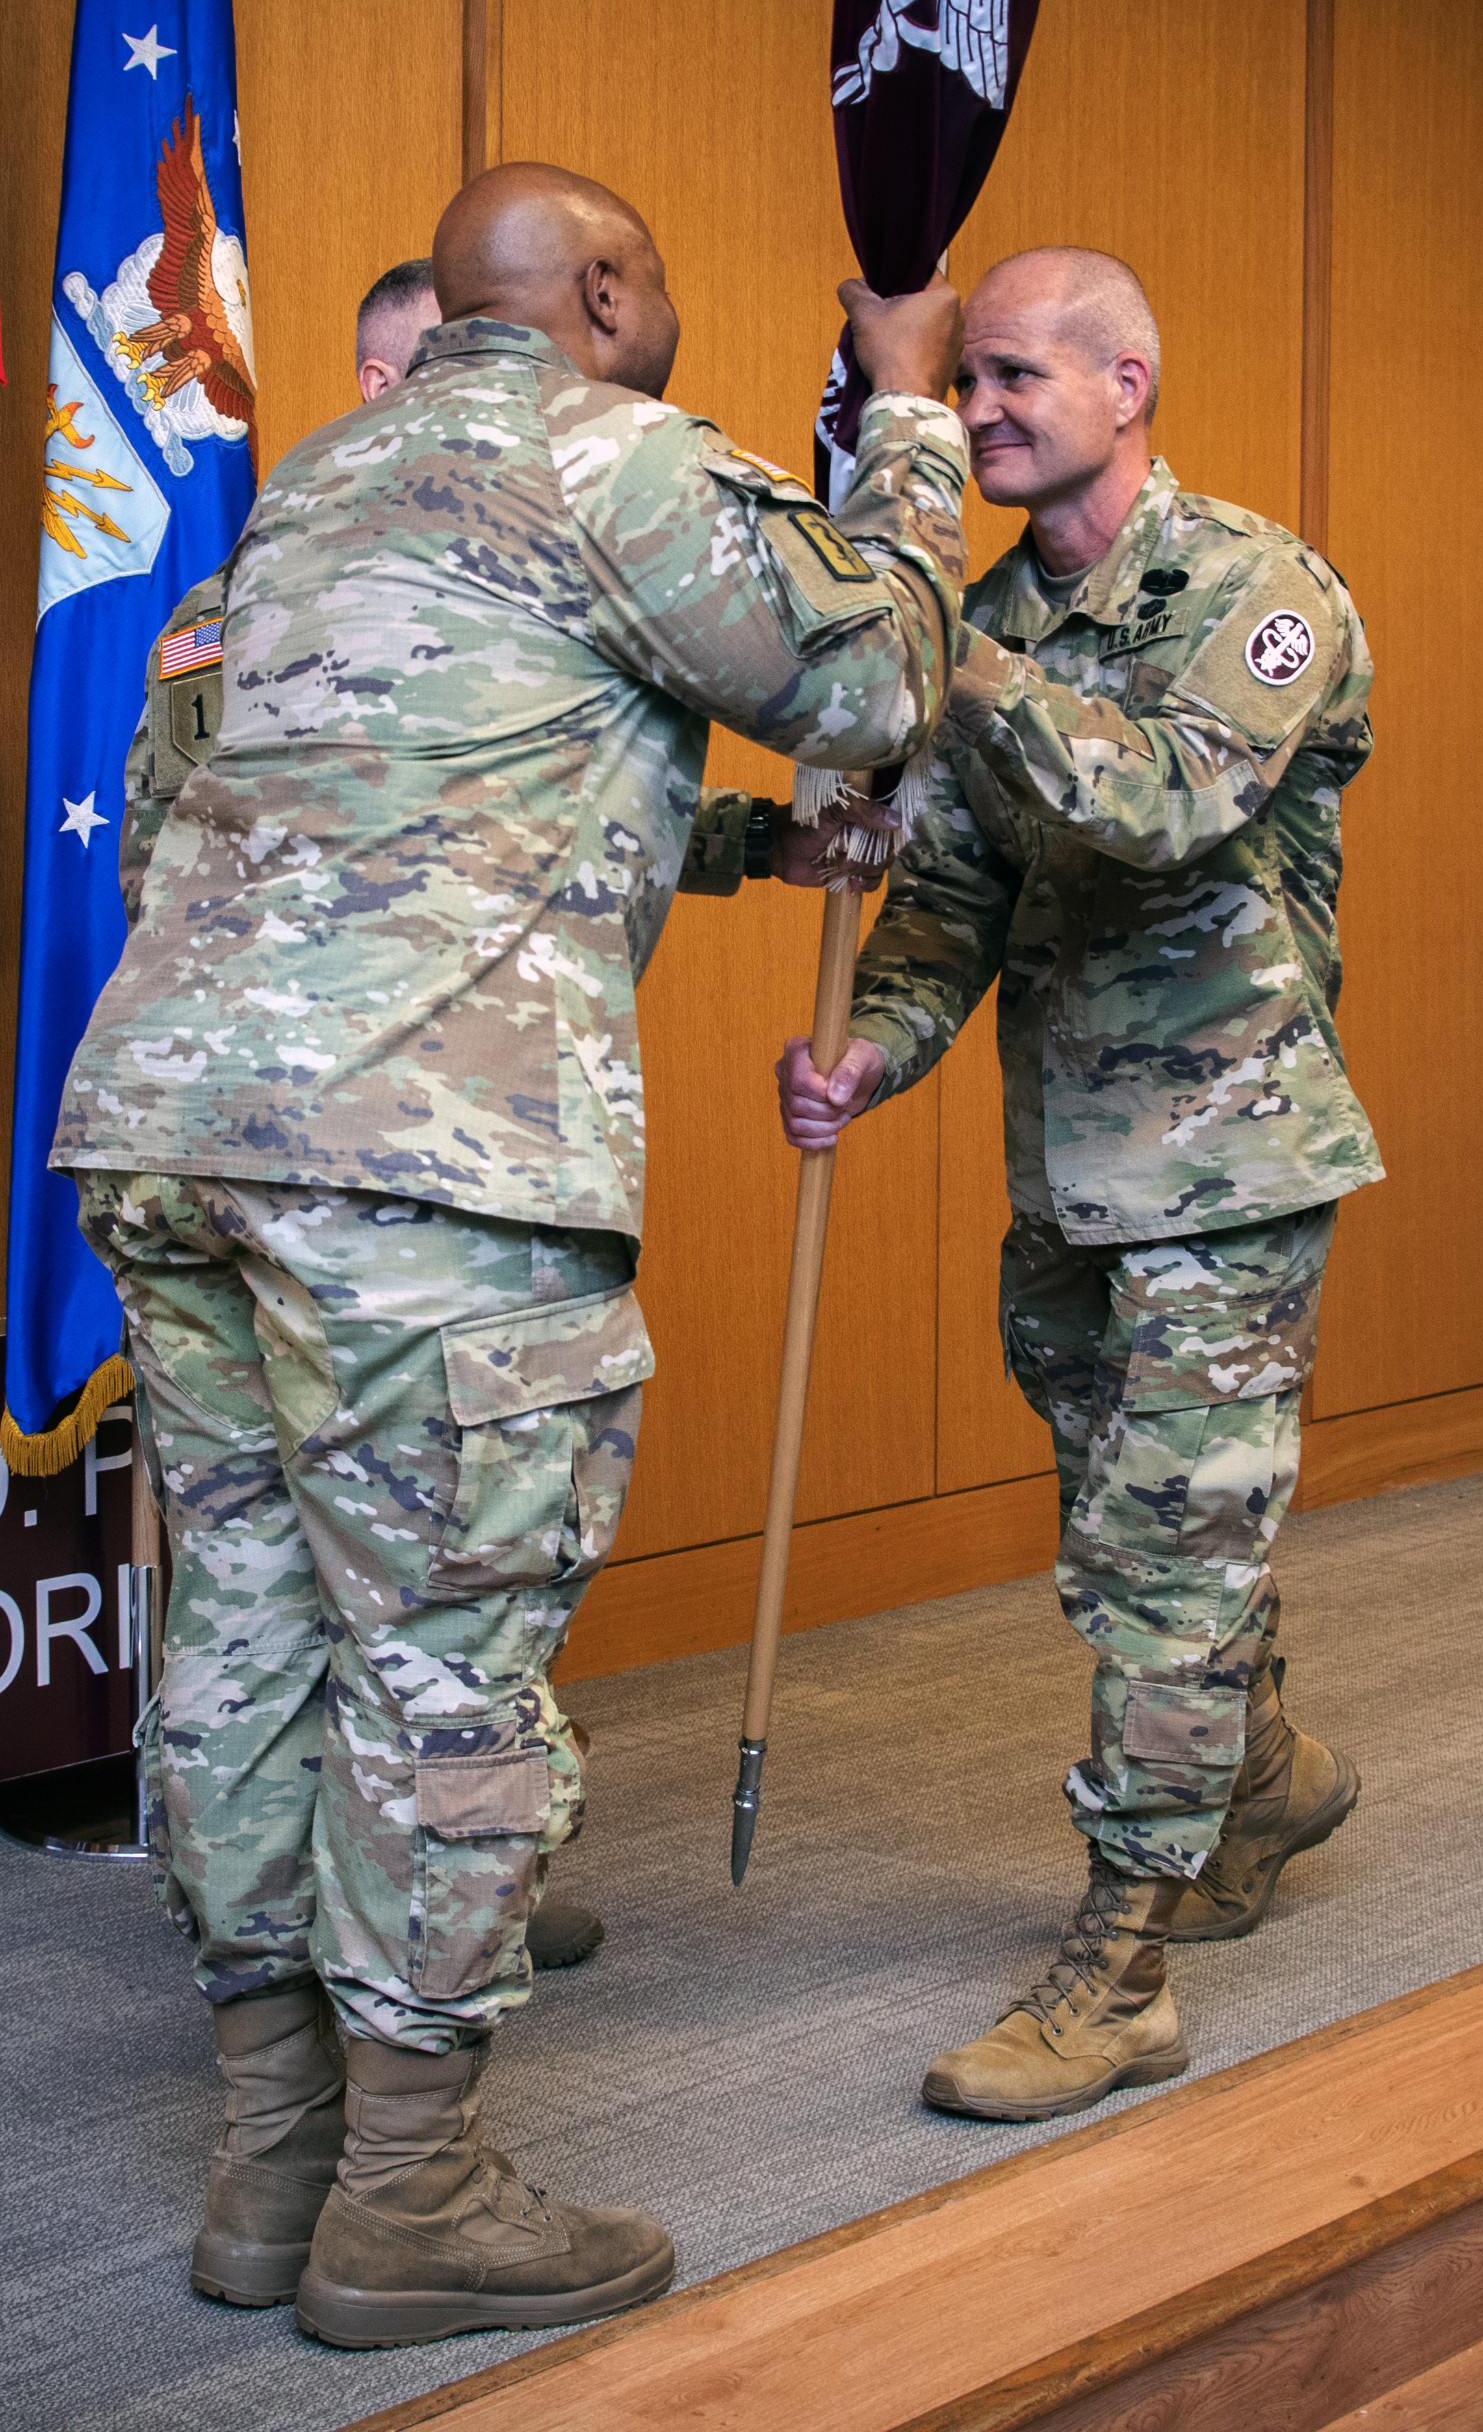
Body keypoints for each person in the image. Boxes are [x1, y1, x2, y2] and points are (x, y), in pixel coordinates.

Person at [55, 161, 967, 2345]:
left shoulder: (317, 483)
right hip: (419, 1163)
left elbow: (471, 762)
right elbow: (873, 669)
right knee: (441, 1672)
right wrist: (910, 413)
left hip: (178, 1133)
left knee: (256, 1645)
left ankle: (268, 2174)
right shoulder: (610, 449)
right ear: (610, 291)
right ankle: (411, 2196)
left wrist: (742, 847)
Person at [776, 246, 1381, 2125]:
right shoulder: (976, 619)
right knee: (1129, 1536)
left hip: (1227, 1166)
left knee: (1158, 1569)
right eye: (960, 388)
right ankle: (1265, 1776)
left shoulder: (1259, 592)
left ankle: (1118, 1971)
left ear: (1132, 383)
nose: (976, 413)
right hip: (1073, 1179)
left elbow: (1156, 801)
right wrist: (871, 1040)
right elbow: (954, 892)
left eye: (1016, 378)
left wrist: (934, 657)